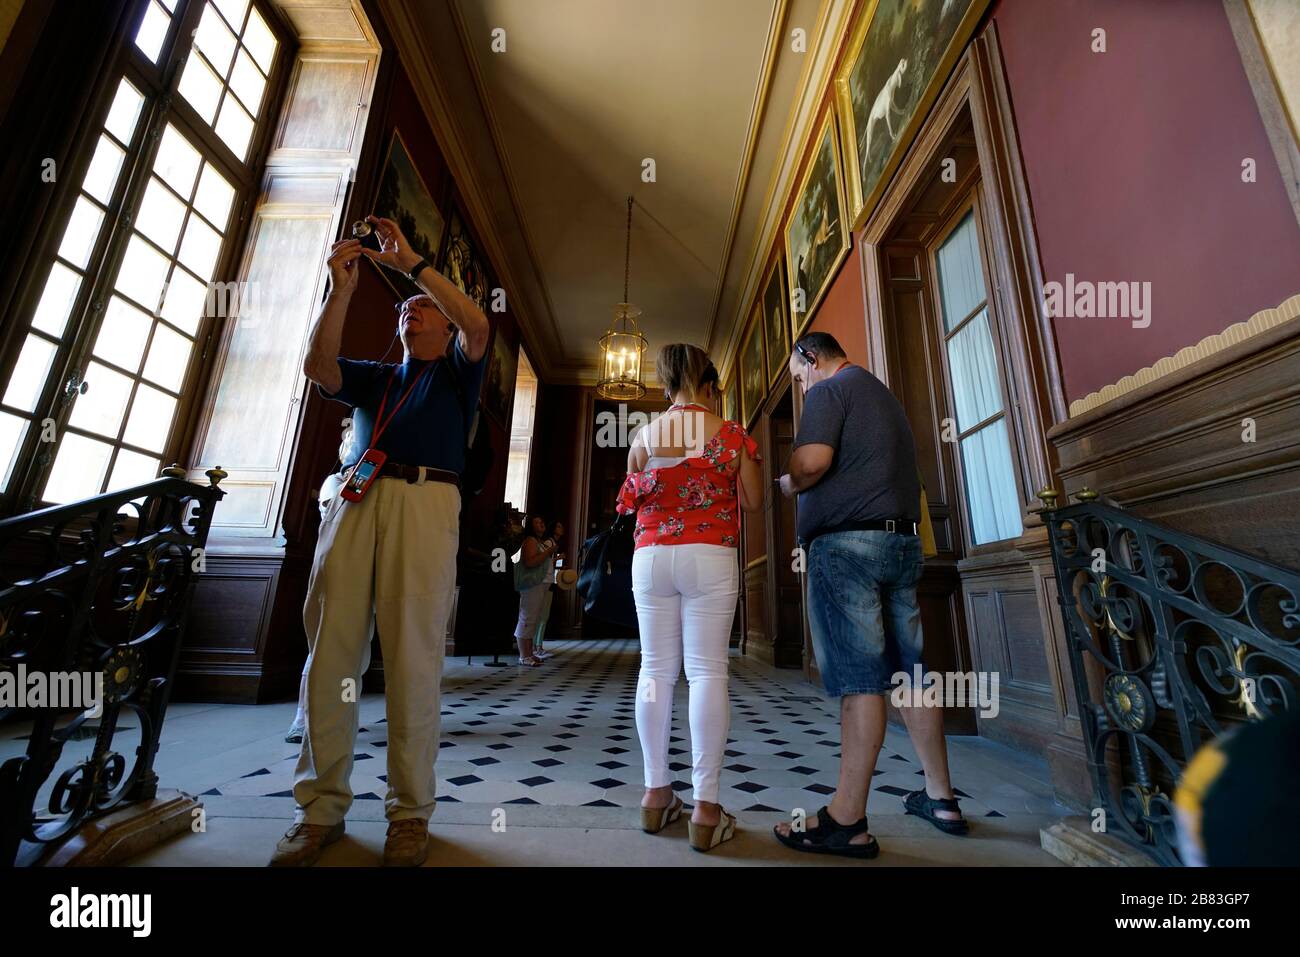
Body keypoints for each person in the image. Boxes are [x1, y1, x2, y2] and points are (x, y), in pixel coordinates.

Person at [269, 215, 489, 868]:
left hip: (425, 503)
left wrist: (411, 263)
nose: (410, 312)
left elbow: (479, 327)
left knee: (414, 661)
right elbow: (317, 365)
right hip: (353, 502)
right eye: (404, 309)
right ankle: (319, 811)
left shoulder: (458, 370)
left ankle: (409, 815)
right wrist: (341, 290)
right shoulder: (373, 377)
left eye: (425, 307)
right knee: (330, 656)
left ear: (443, 325)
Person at [773, 331, 966, 859]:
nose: (801, 383)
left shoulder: (828, 392)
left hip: (848, 548)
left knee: (862, 678)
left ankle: (846, 818)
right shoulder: (882, 395)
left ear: (811, 357)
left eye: (798, 373)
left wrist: (788, 484)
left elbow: (811, 462)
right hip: (900, 544)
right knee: (910, 672)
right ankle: (940, 796)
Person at [616, 343, 762, 851]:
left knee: (654, 671)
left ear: (665, 383)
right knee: (707, 672)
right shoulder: (732, 434)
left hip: (651, 556)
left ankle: (656, 794)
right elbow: (754, 500)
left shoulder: (643, 435)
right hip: (710, 554)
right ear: (709, 383)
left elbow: (629, 498)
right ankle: (705, 807)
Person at [513, 514, 561, 666]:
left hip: (541, 582)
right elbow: (530, 562)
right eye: (537, 522)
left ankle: (529, 653)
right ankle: (523, 655)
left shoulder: (539, 541)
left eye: (542, 521)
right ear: (531, 526)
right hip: (532, 583)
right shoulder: (530, 541)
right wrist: (548, 552)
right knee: (527, 617)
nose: (541, 524)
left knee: (534, 618)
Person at [533, 521, 565, 659]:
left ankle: (538, 645)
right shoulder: (549, 542)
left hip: (549, 580)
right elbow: (543, 559)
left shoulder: (553, 543)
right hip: (543, 580)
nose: (561, 528)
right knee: (541, 616)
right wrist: (559, 558)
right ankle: (536, 647)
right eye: (558, 526)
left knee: (544, 616)